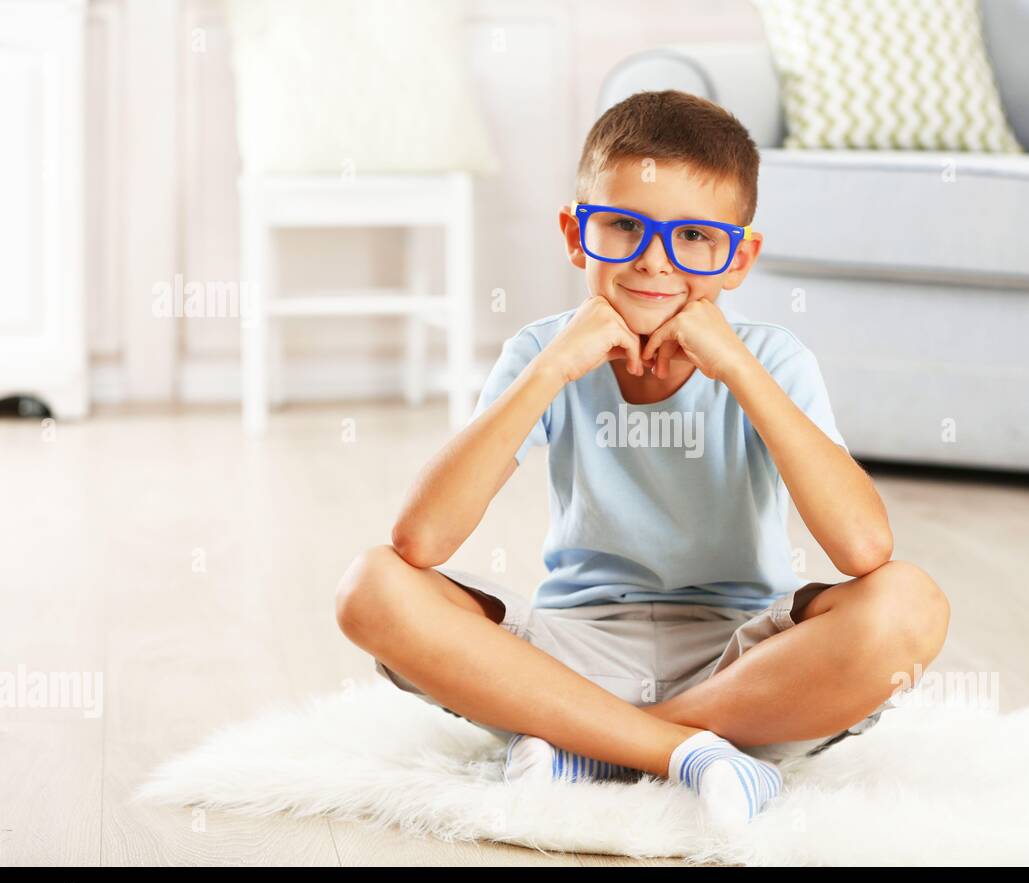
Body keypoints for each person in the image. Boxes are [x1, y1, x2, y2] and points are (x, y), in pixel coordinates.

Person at [335, 90, 949, 830]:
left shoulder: (774, 359)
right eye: (622, 226)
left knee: (910, 604)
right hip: (569, 654)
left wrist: (741, 372)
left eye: (694, 238)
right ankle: (690, 754)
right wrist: (553, 371)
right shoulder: (542, 353)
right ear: (575, 234)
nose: (655, 260)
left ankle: (592, 746)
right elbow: (420, 542)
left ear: (739, 258)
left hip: (743, 665)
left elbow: (863, 548)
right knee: (369, 585)